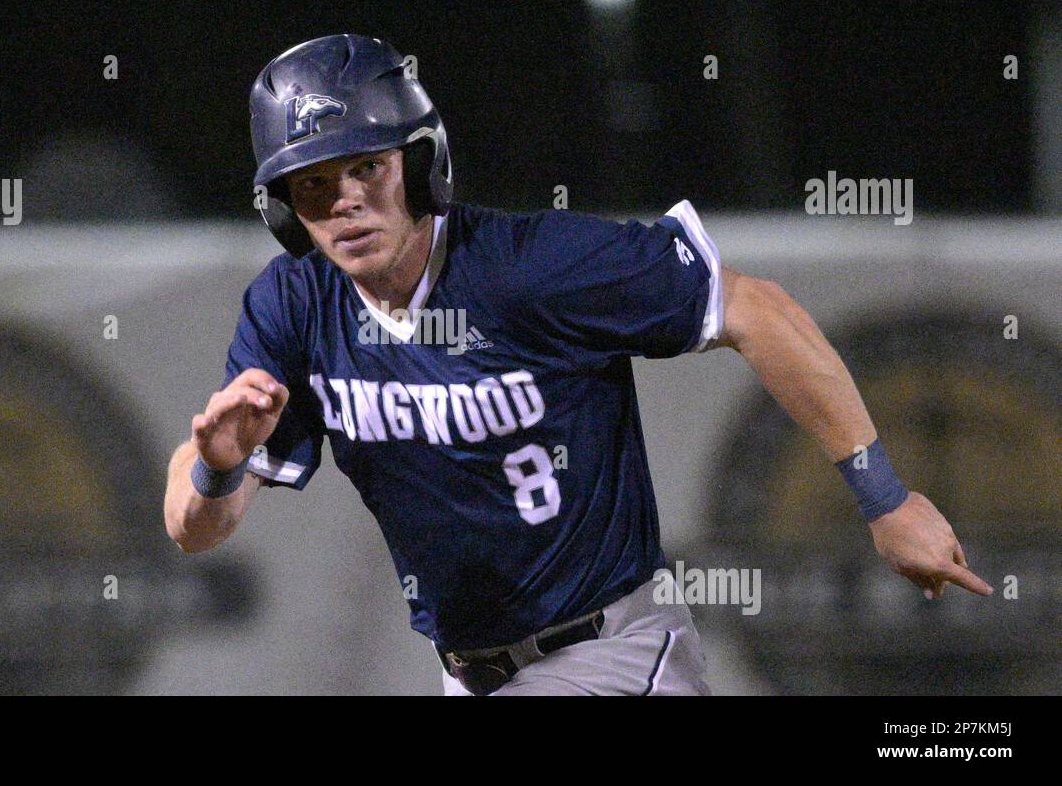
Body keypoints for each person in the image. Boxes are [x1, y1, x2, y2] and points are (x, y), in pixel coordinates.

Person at [163, 34, 992, 696]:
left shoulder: (528, 267)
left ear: (418, 163)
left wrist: (884, 496)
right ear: (283, 209)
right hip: (470, 671)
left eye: (365, 168)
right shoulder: (294, 305)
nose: (342, 201)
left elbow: (754, 309)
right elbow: (195, 529)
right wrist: (215, 464)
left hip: (610, 653)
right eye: (311, 184)